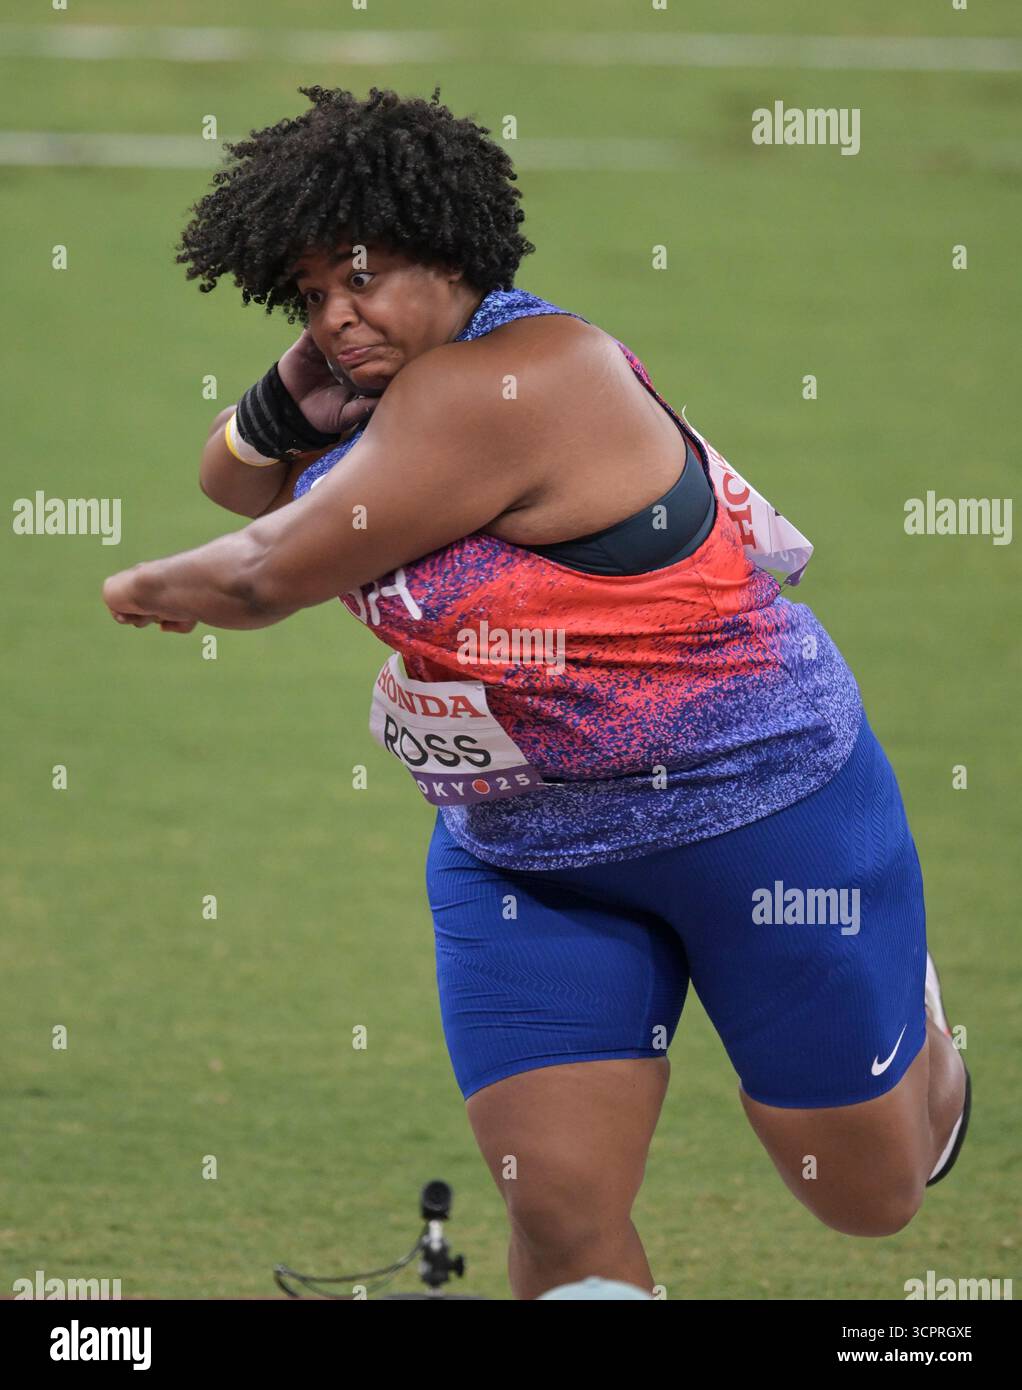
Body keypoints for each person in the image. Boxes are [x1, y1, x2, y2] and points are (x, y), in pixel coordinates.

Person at [102, 85, 970, 1300]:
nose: (337, 316)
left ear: (452, 249)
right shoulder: (386, 375)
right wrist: (300, 377)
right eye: (309, 296)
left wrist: (141, 581)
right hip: (524, 849)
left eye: (360, 278)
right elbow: (236, 479)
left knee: (863, 1198)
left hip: (759, 814)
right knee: (558, 1213)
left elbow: (260, 570)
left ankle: (920, 1032)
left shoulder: (519, 380)